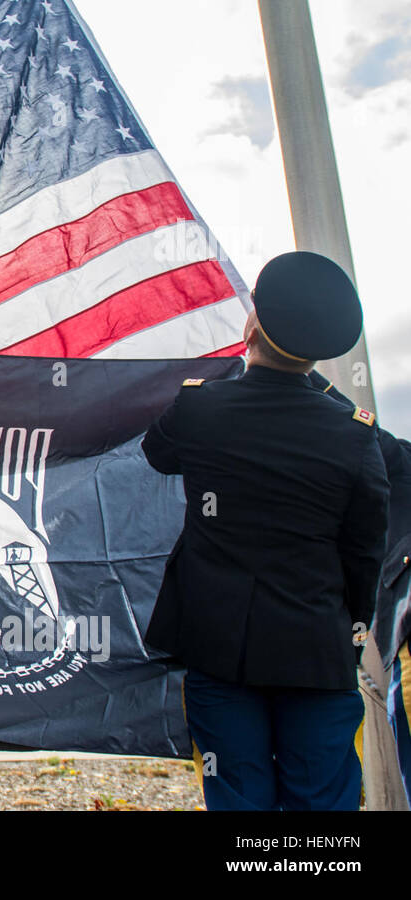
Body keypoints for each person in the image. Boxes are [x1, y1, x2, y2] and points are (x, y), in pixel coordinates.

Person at [141, 251, 390, 811]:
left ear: (251, 325)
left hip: (219, 648)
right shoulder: (353, 434)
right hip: (317, 652)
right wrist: (345, 630)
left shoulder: (201, 408)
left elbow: (157, 453)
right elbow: (364, 553)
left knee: (239, 801)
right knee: (322, 810)